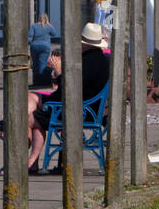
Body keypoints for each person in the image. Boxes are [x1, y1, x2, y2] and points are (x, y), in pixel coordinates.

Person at [26, 22, 110, 173]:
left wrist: (58, 71)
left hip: (78, 110)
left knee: (28, 120)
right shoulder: (98, 59)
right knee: (31, 98)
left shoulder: (88, 62)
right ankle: (31, 162)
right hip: (83, 107)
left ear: (84, 44)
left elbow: (69, 89)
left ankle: (24, 159)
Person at [28, 13, 59, 86]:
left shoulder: (33, 26)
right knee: (42, 63)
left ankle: (35, 82)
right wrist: (50, 25)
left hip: (34, 46)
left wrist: (30, 43)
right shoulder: (48, 27)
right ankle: (42, 82)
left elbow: (29, 38)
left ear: (38, 18)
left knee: (35, 64)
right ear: (46, 19)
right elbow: (54, 33)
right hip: (45, 46)